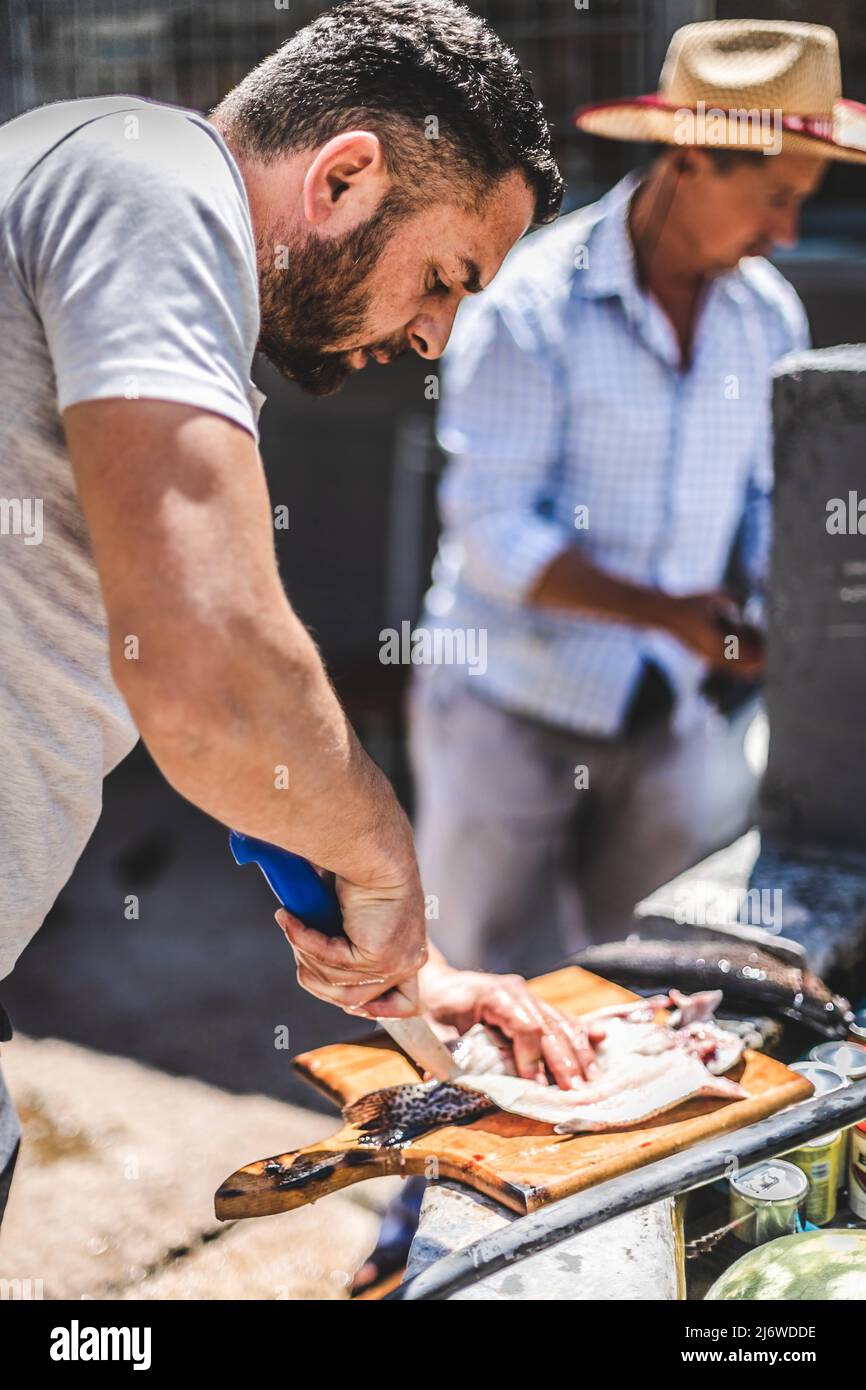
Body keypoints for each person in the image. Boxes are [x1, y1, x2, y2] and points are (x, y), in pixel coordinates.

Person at [0, 0, 604, 1234]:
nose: (435, 335)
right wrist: (389, 859)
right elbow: (214, 684)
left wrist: (407, 977)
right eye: (443, 278)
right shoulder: (148, 185)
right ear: (343, 177)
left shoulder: (147, 243)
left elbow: (235, 757)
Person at [409, 19, 866, 980]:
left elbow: (760, 500)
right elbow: (492, 534)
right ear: (691, 156)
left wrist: (791, 615)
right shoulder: (533, 305)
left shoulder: (765, 313)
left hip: (672, 721)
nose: (786, 232)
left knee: (656, 982)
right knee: (481, 977)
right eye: (776, 200)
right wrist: (670, 614)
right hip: (509, 710)